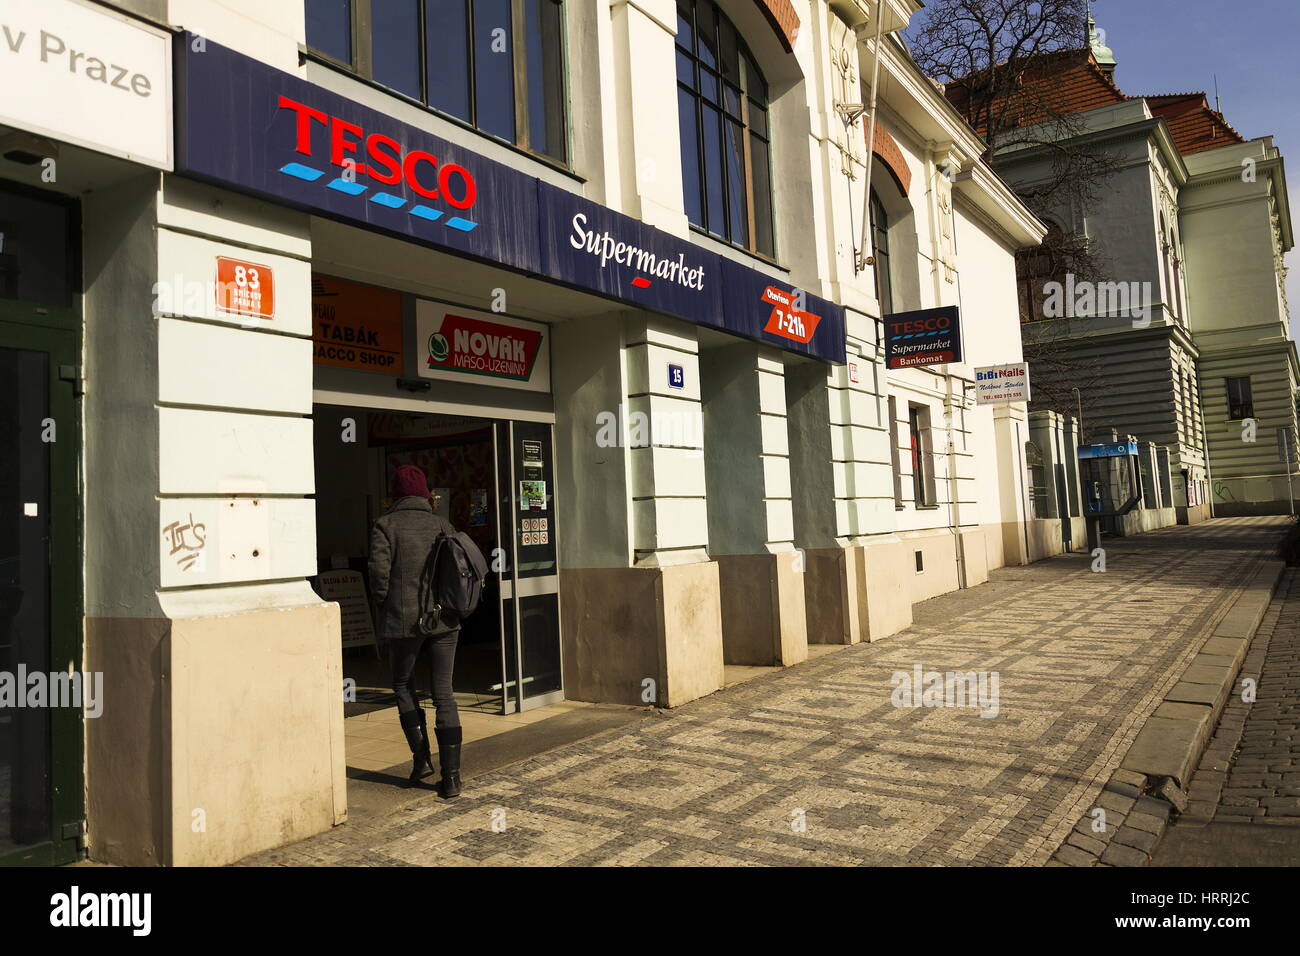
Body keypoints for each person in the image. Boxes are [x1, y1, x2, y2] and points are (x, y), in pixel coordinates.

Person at [368, 464, 463, 798]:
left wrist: (387, 607)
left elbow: (378, 578)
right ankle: (451, 778)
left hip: (403, 621)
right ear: (425, 493)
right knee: (444, 693)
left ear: (395, 494)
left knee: (403, 684)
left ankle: (421, 759)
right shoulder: (442, 524)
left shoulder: (385, 525)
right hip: (444, 620)